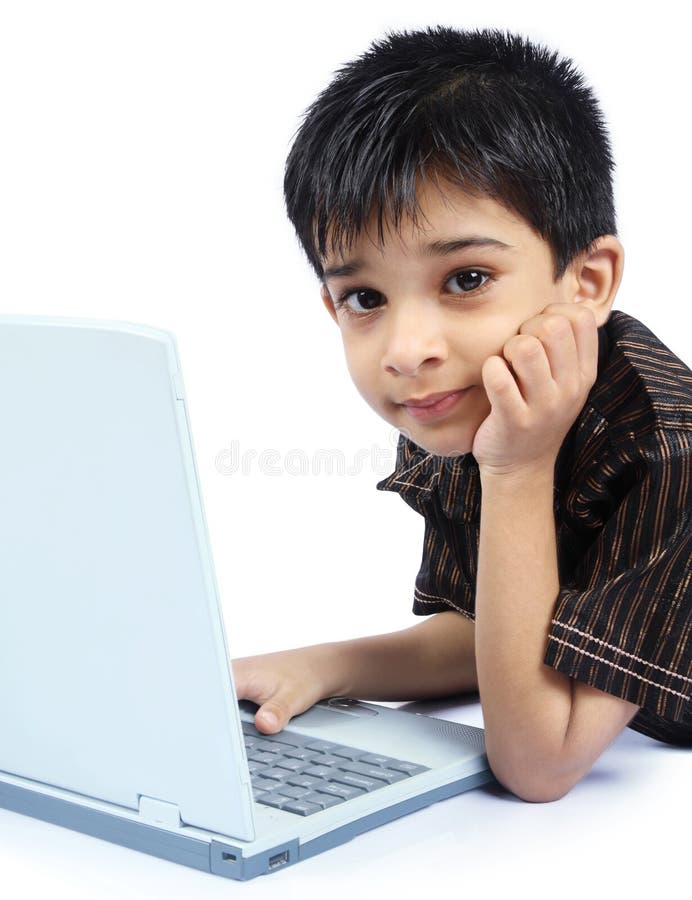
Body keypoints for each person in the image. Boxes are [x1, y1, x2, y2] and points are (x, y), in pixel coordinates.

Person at [232, 26, 691, 801]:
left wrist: (518, 467)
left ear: (587, 280)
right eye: (365, 298)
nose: (407, 349)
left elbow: (542, 760)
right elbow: (484, 633)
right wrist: (321, 667)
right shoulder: (461, 398)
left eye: (467, 277)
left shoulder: (667, 449)